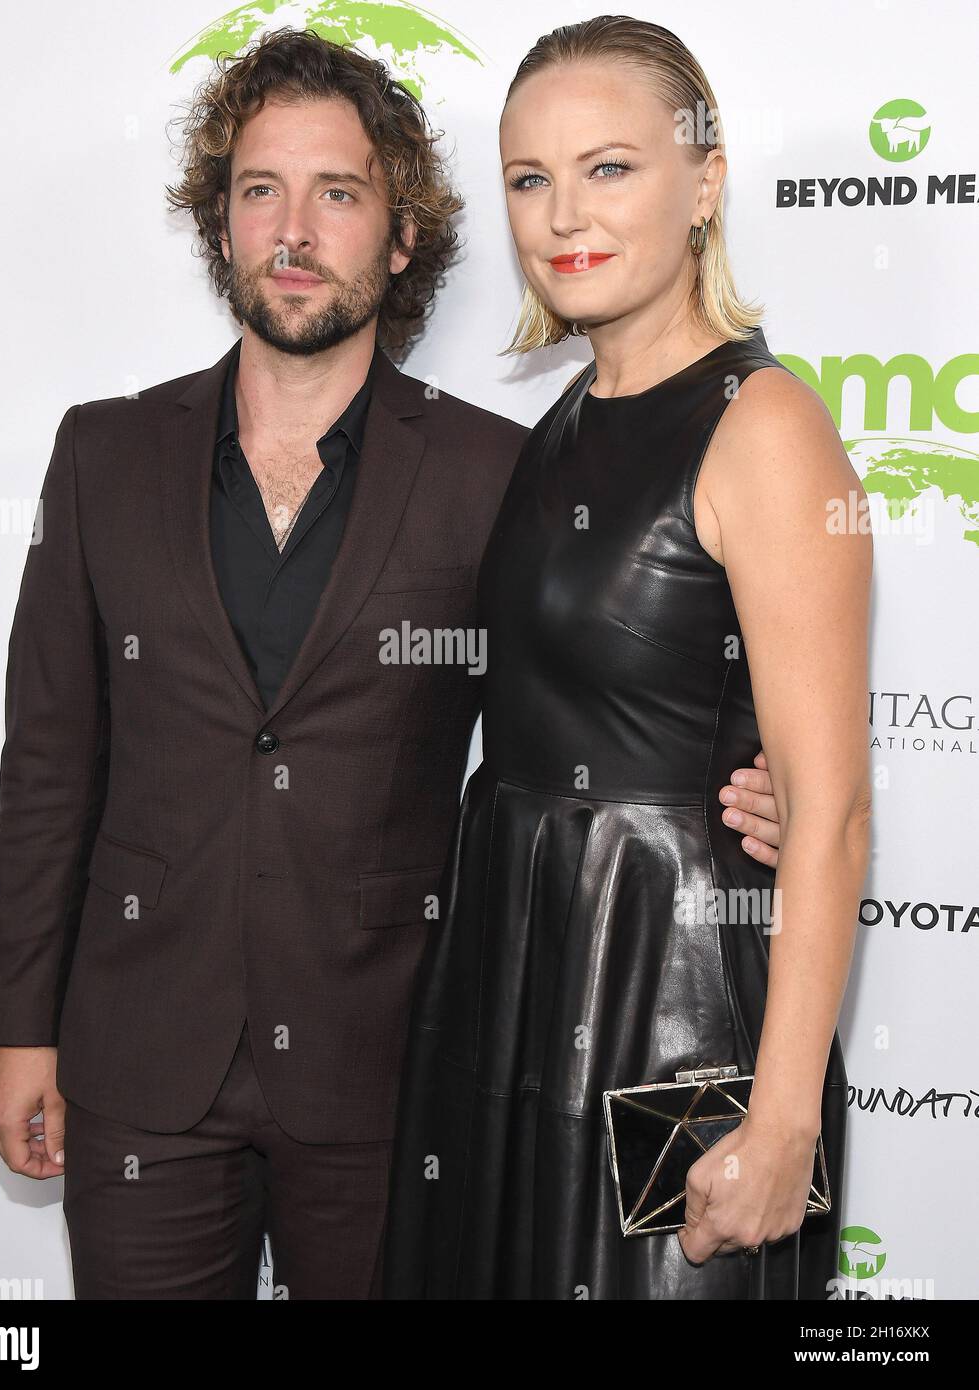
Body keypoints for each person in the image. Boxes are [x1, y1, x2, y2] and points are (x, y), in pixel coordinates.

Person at [0, 27, 784, 1300]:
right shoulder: (101, 457)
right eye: (260, 191)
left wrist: (756, 784)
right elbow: (50, 768)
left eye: (337, 194)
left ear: (399, 236)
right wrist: (20, 1024)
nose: (293, 229)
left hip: (388, 1072)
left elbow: (597, 688)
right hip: (138, 1065)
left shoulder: (493, 473)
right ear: (221, 226)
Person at [383, 16, 871, 1300]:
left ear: (702, 183)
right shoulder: (560, 420)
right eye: (528, 179)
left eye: (608, 168)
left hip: (681, 1008)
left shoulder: (762, 428)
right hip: (527, 976)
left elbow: (825, 817)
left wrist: (775, 1125)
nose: (560, 214)